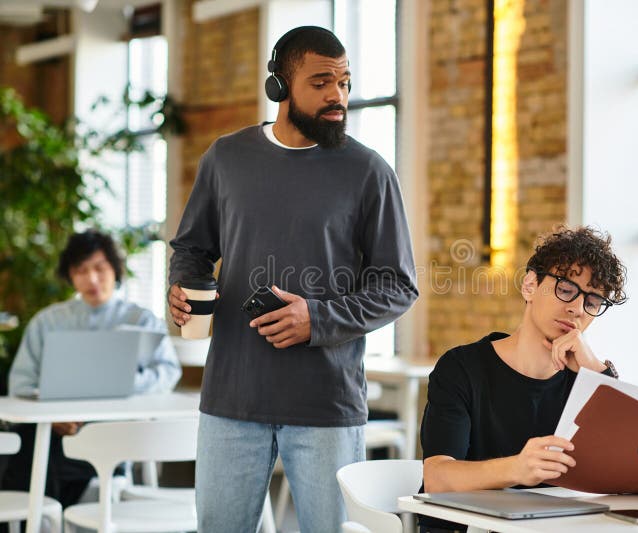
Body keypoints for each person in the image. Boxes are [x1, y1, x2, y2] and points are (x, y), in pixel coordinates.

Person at [167, 26, 418, 532]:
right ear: (280, 86)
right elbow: (193, 248)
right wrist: (182, 290)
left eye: (344, 82)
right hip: (231, 400)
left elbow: (398, 284)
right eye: (321, 81)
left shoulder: (369, 172)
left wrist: (317, 318)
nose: (338, 95)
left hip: (325, 403)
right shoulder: (226, 158)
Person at [418, 226, 627, 533]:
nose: (577, 309)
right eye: (566, 290)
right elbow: (437, 477)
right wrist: (517, 468)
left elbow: (630, 466)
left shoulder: (588, 380)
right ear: (530, 285)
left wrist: (595, 368)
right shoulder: (462, 368)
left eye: (592, 301)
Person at [2, 229, 181, 508]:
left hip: (117, 428)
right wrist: (55, 415)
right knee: (34, 449)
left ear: (115, 269)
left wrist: (123, 384)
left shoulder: (141, 319)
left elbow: (168, 372)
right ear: (70, 275)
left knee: (44, 464)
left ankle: (51, 516)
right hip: (57, 430)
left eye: (100, 268)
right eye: (81, 270)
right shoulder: (47, 322)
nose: (92, 279)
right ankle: (44, 517)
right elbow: (21, 383)